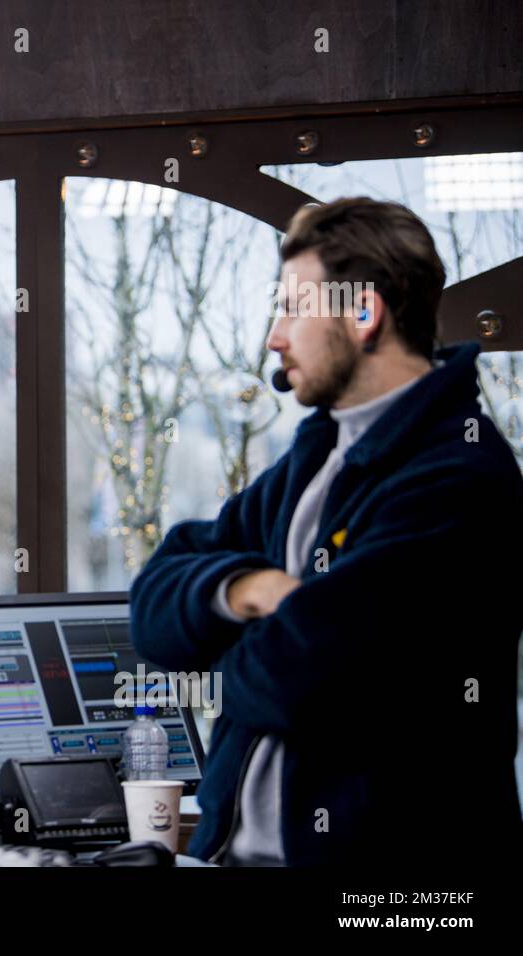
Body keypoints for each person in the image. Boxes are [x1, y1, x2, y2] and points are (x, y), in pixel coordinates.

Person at [130, 197, 523, 866]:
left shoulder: (460, 475)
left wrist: (223, 653)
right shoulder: (313, 462)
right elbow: (152, 607)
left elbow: (304, 676)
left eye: (291, 308)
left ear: (363, 313)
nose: (274, 338)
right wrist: (251, 590)